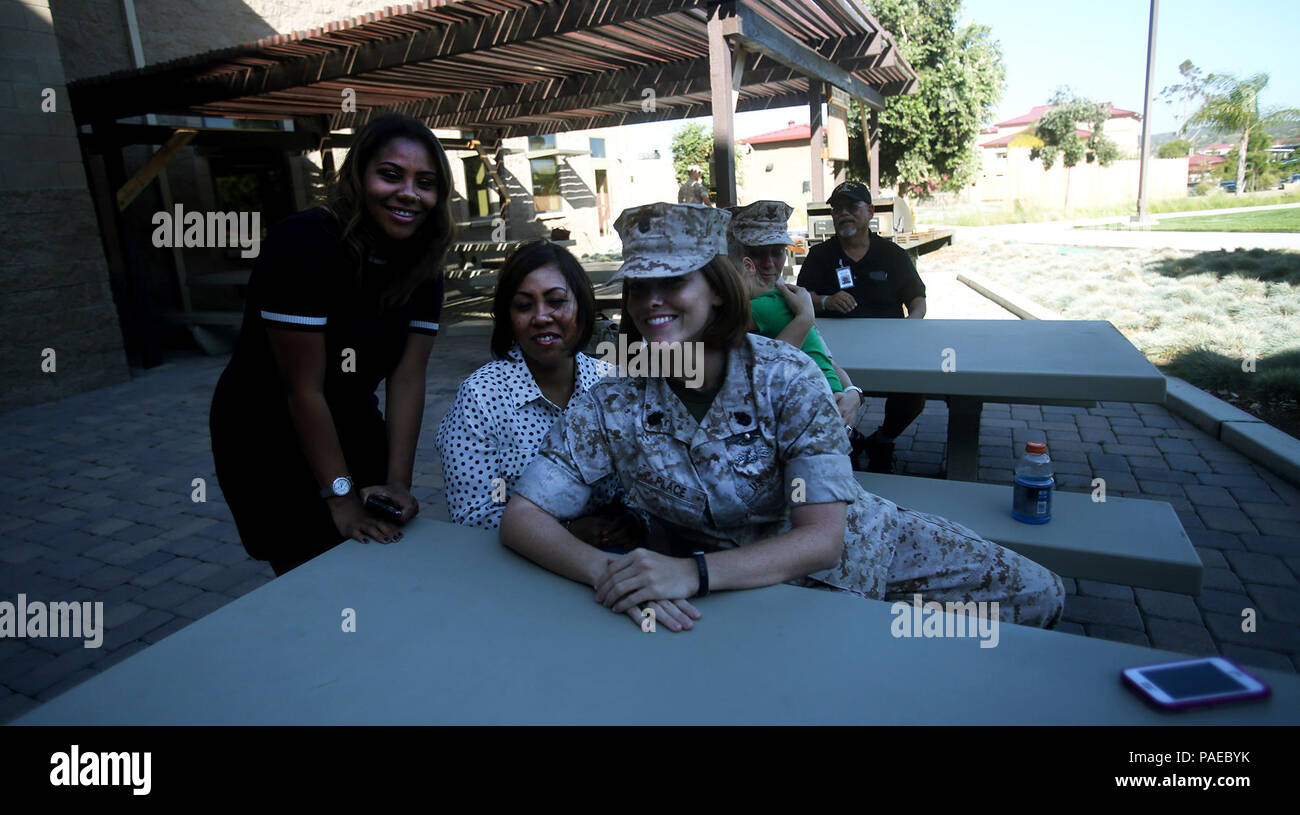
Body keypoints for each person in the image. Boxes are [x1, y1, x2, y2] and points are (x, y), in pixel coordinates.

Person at [499, 202, 1064, 633]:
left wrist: (691, 573)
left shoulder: (786, 377)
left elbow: (822, 539)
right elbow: (522, 515)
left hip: (864, 552)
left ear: (716, 290)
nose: (652, 301)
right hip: (739, 598)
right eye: (639, 286)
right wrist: (605, 572)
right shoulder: (612, 401)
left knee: (1038, 593)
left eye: (673, 282)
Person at [210, 113, 455, 576]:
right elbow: (303, 389)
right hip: (267, 429)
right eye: (390, 175)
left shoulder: (424, 260)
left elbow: (407, 379)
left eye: (425, 182)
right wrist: (341, 499)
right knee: (311, 563)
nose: (409, 193)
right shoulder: (305, 242)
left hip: (350, 413)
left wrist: (397, 483)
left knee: (382, 547)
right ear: (359, 175)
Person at [435, 240, 642, 549]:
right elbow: (474, 515)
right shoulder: (482, 397)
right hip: (516, 566)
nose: (541, 316)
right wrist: (567, 532)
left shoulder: (609, 385)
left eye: (556, 301)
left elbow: (642, 484)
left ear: (582, 306)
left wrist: (633, 520)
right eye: (523, 305)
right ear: (508, 316)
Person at [797, 181, 926, 474]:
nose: (843, 214)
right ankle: (846, 439)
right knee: (817, 389)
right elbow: (797, 300)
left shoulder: (892, 254)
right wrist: (825, 300)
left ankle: (884, 439)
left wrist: (909, 329)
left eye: (851, 207)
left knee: (915, 394)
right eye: (837, 209)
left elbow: (917, 301)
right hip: (834, 350)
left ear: (869, 211)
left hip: (889, 348)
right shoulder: (820, 256)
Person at [727, 200, 865, 446]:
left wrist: (853, 394)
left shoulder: (777, 303)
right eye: (756, 253)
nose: (770, 263)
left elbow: (827, 360)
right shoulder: (794, 302)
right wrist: (804, 319)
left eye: (777, 251)